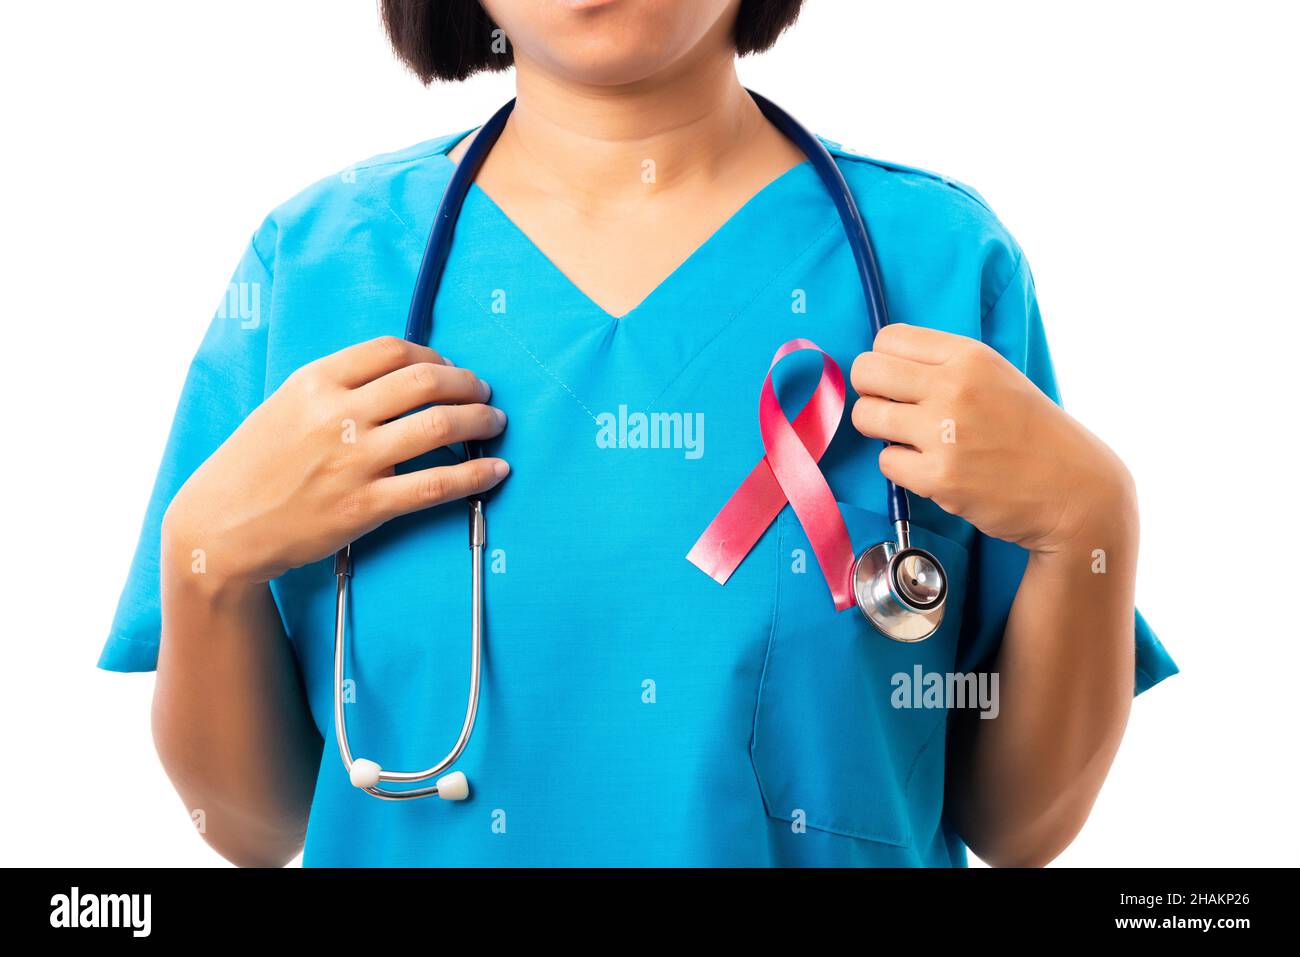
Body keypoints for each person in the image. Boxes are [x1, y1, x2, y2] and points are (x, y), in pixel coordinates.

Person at [100, 0, 1177, 867]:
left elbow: (1018, 829)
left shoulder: (937, 264)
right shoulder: (317, 270)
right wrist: (204, 564)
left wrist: (1094, 523)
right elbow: (251, 830)